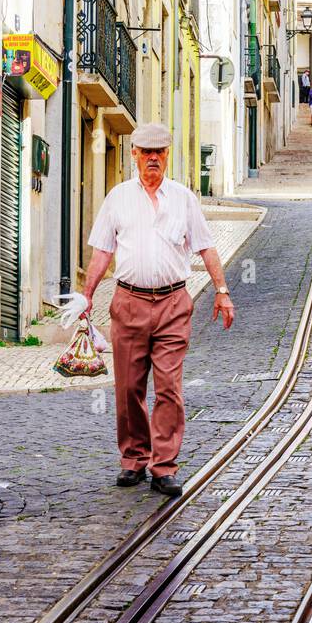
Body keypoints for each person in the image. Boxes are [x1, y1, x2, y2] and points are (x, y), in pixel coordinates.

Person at [83, 123, 235, 497]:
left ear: (168, 155)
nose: (153, 158)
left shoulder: (183, 198)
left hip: (172, 303)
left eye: (160, 152)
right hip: (128, 302)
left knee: (169, 387)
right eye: (146, 152)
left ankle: (163, 466)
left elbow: (205, 246)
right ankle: (134, 459)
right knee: (128, 387)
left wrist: (222, 290)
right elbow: (103, 250)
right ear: (133, 154)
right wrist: (86, 296)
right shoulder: (117, 197)